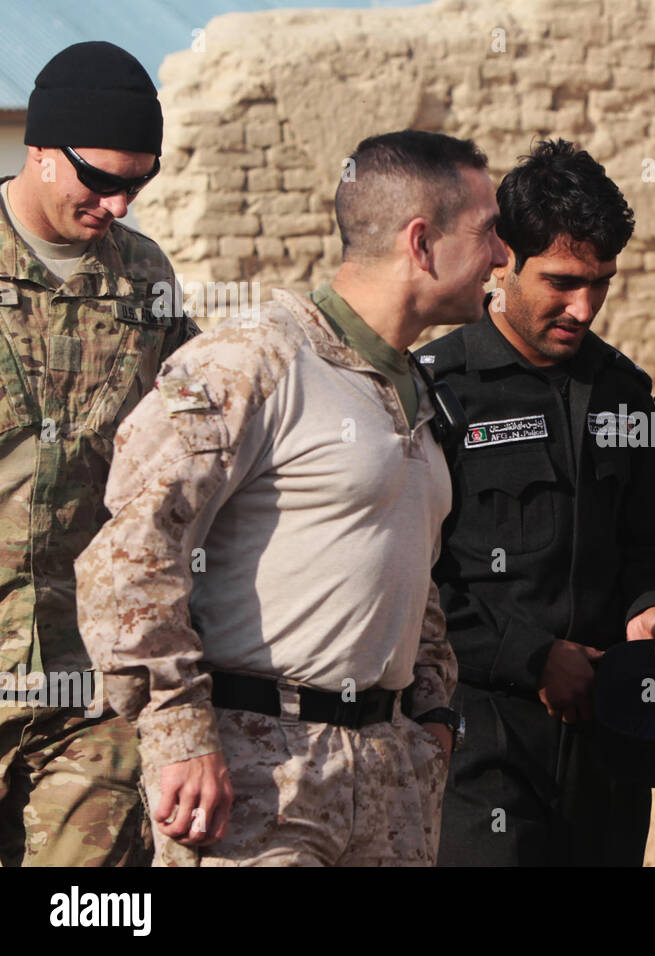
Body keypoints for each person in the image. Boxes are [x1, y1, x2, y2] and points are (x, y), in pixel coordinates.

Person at [75, 129, 506, 865]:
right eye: (489, 232)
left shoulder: (421, 392)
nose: (503, 257)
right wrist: (179, 732)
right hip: (258, 781)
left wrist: (430, 717)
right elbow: (128, 555)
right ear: (422, 243)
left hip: (391, 781)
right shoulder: (255, 360)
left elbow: (411, 576)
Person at [417, 139, 655, 866]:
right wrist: (533, 660)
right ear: (504, 255)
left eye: (601, 284)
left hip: (608, 741)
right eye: (563, 282)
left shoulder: (623, 390)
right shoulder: (438, 391)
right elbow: (413, 581)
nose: (584, 307)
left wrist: (648, 607)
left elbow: (642, 548)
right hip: (482, 740)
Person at [0, 41, 198, 867]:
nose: (119, 204)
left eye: (139, 183)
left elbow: (190, 444)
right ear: (40, 152)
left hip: (83, 687)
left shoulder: (146, 277)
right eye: (102, 179)